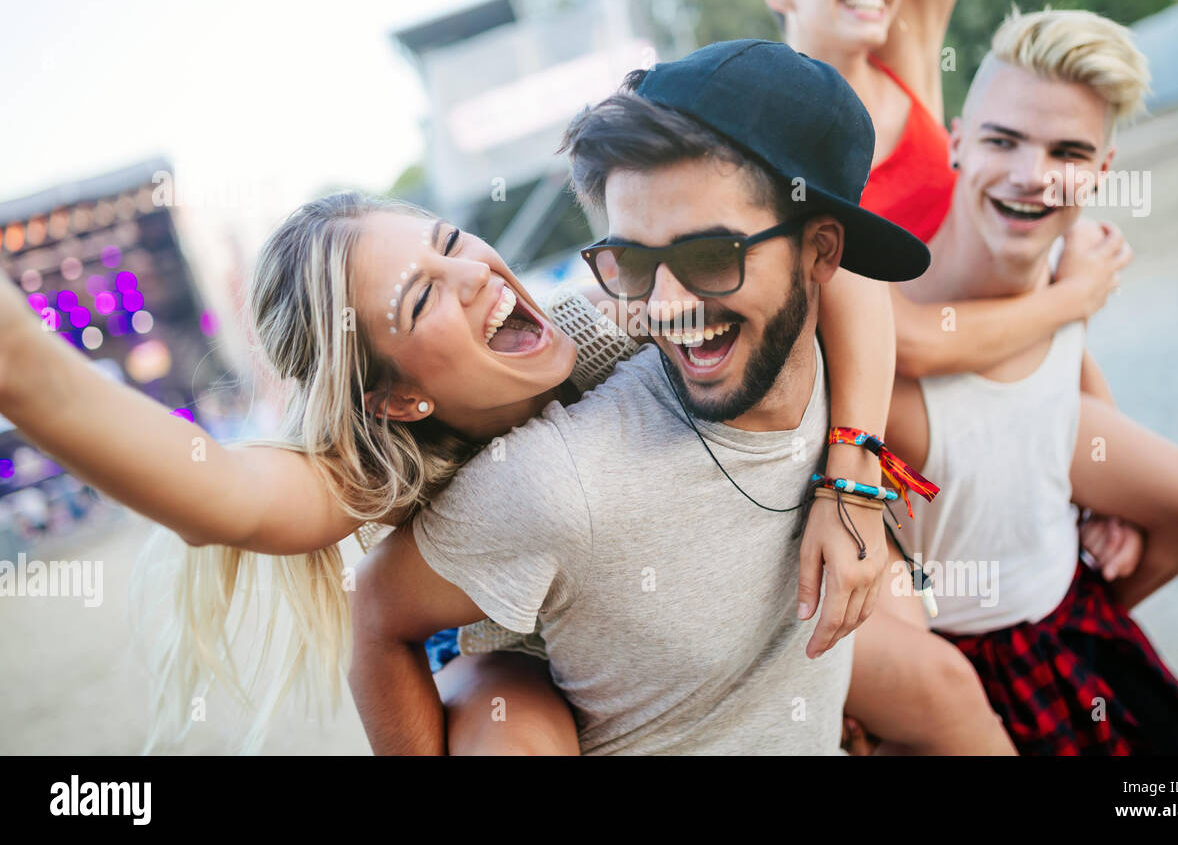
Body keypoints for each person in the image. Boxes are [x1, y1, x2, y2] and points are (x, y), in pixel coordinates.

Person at [0, 85, 910, 752]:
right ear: (398, 395)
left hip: (661, 651)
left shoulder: (607, 318)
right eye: (423, 297)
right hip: (506, 657)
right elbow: (228, 498)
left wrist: (853, 467)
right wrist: (23, 368)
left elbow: (841, 273)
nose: (471, 272)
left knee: (934, 683)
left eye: (448, 243)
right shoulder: (390, 463)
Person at [348, 39, 934, 755]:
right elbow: (367, 606)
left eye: (711, 255)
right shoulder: (556, 477)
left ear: (821, 253)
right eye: (632, 259)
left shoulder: (598, 325)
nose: (665, 307)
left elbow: (861, 285)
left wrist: (855, 470)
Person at [879, 8, 1178, 754]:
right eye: (1002, 140)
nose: (1031, 176)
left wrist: (1095, 496)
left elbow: (1064, 364)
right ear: (957, 142)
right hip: (956, 662)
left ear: (1102, 172)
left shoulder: (1070, 255)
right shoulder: (886, 302)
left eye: (1067, 152)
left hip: (1069, 618)